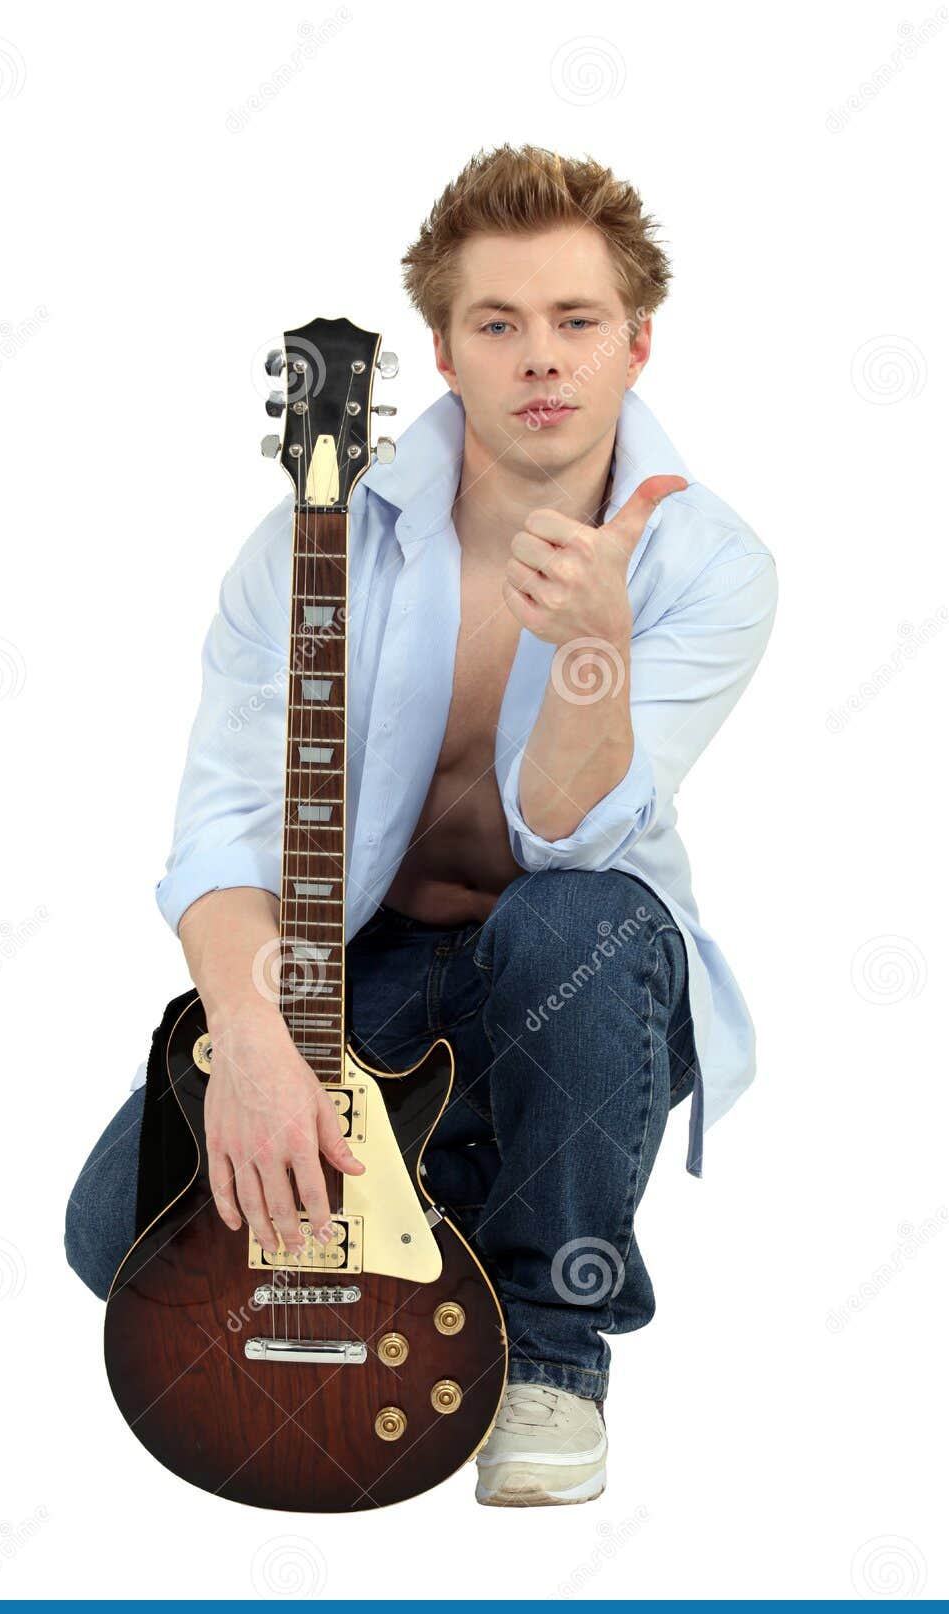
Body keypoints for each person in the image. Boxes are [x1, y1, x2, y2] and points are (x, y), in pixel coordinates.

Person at [66, 143, 778, 1508]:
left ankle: (554, 1355)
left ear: (639, 343)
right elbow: (216, 832)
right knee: (116, 1233)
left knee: (571, 915)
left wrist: (593, 654)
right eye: (497, 323)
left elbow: (571, 834)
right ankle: (443, 1172)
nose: (540, 359)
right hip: (365, 957)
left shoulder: (709, 563)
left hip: (578, 979)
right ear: (442, 354)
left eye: (576, 321)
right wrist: (263, 1056)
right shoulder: (309, 543)